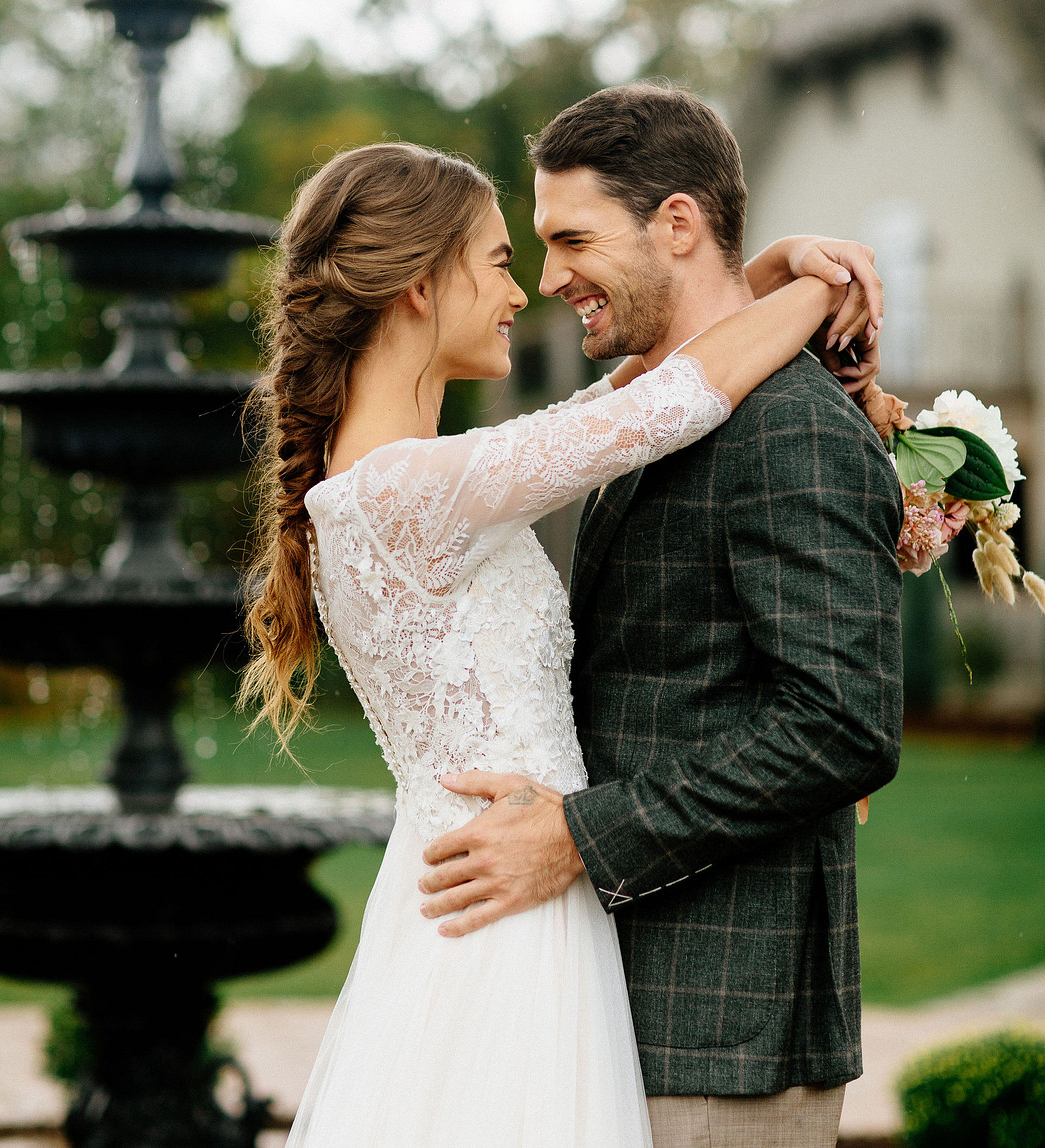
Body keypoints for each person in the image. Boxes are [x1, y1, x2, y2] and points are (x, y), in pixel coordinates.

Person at [240, 136, 887, 1148]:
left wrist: (758, 276)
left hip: (505, 894)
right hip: (507, 923)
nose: (522, 292)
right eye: (499, 261)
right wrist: (822, 287)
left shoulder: (416, 478)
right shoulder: (406, 493)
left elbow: (621, 401)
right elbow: (667, 404)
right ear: (416, 284)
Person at [418, 85, 904, 1148]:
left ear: (676, 224)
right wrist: (783, 274)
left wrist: (576, 840)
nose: (550, 280)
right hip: (617, 1012)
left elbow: (841, 723)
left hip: (724, 1035)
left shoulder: (789, 428)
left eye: (572, 238)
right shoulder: (659, 412)